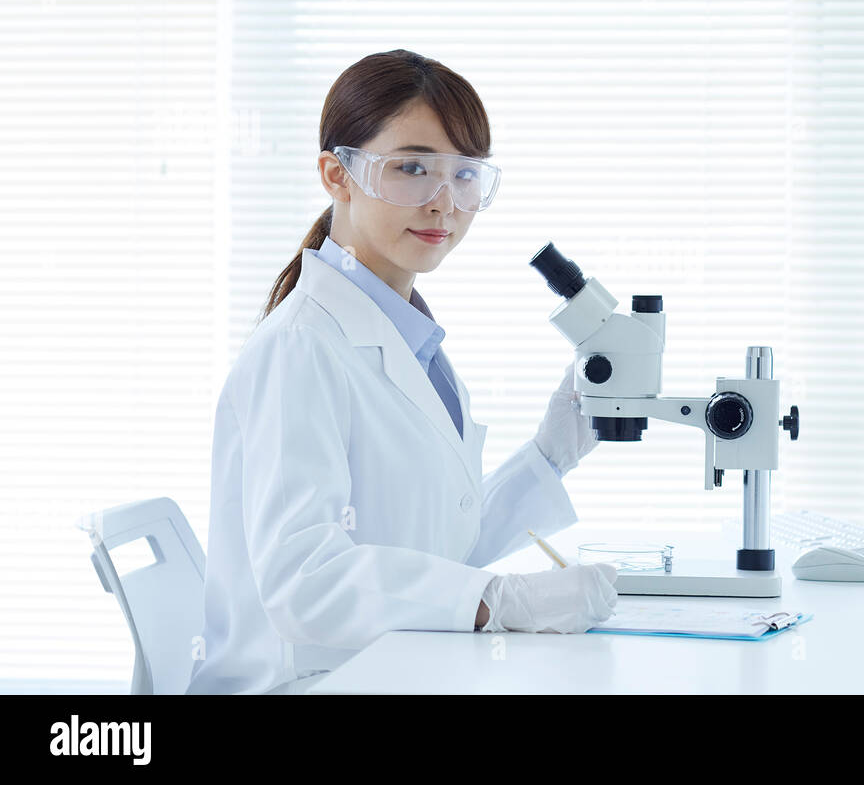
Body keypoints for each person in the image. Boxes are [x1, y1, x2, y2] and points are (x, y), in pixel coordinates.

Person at [187, 49, 618, 694]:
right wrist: (500, 601)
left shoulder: (404, 333)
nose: (444, 203)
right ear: (338, 175)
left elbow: (435, 549)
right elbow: (303, 582)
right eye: (412, 168)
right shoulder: (302, 347)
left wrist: (550, 457)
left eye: (465, 174)